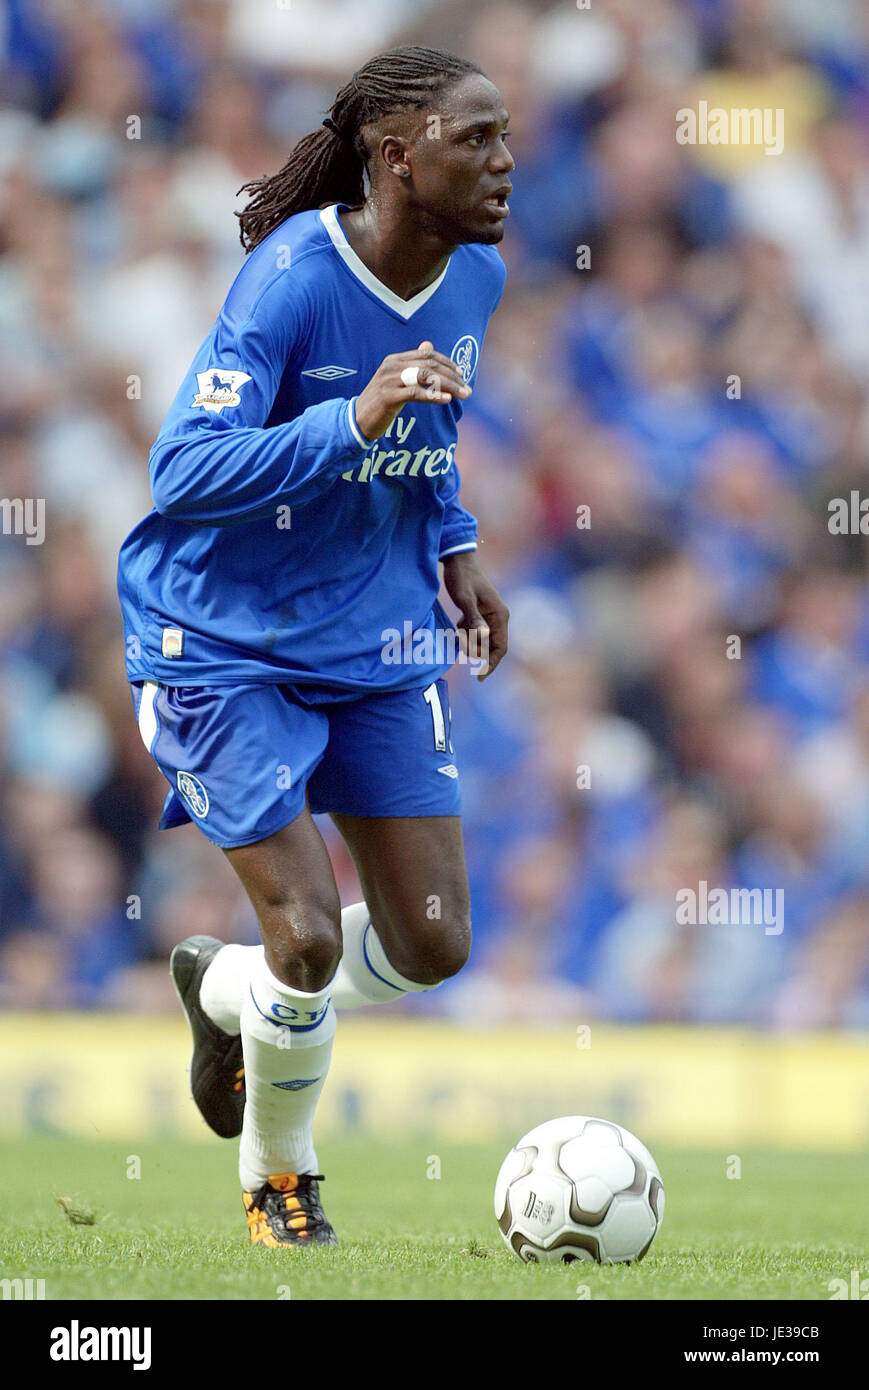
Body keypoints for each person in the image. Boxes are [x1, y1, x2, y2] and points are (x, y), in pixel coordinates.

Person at [116, 45, 513, 1248]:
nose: (505, 164)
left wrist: (454, 544)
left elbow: (428, 428)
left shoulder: (476, 277)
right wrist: (348, 417)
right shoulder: (288, 280)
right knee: (304, 933)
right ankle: (278, 1175)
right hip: (219, 640)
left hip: (375, 633)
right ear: (397, 154)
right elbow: (182, 469)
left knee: (433, 942)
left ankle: (220, 986)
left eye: (506, 138)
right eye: (476, 139)